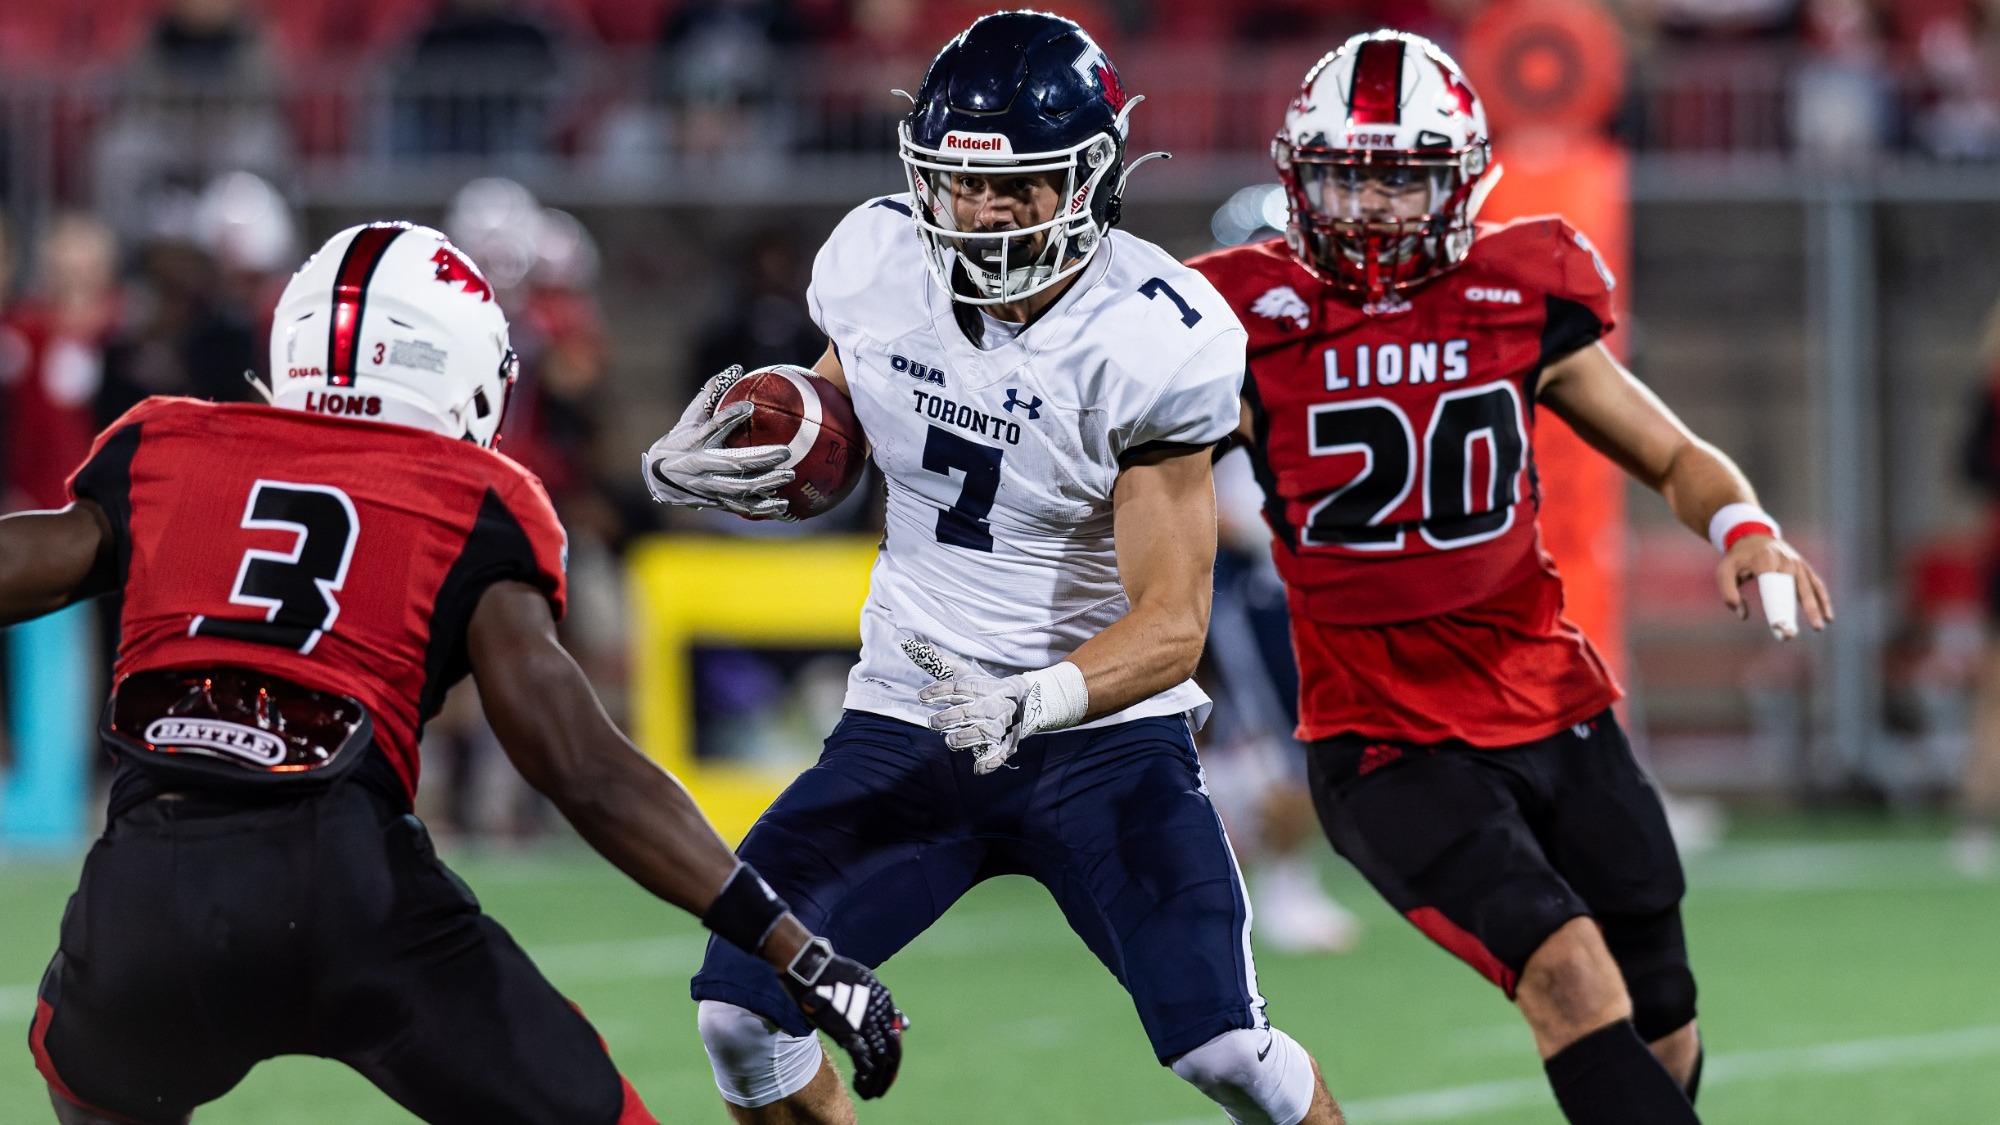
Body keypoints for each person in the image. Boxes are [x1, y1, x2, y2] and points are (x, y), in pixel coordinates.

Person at [1, 221, 903, 1125]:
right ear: (458, 371)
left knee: (95, 1085)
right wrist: (791, 946)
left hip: (149, 887)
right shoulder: (470, 494)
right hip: (350, 891)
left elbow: (37, 553)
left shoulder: (166, 443)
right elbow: (582, 767)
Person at [644, 12, 1345, 1125]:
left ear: (1092, 176)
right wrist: (785, 451)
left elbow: (1170, 622)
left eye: (1015, 186)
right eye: (958, 185)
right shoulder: (876, 260)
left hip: (1098, 743)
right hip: (907, 721)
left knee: (1223, 1052)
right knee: (739, 1014)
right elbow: (842, 426)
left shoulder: (1152, 335)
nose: (979, 212)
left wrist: (1031, 698)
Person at [1188, 31, 1833, 1125]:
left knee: (1661, 1017)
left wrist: (1741, 526)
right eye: (1349, 173)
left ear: (1461, 178)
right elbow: (1124, 487)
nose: (1375, 206)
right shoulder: (1236, 319)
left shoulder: (1517, 287)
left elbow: (1672, 454)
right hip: (1387, 734)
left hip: (1549, 703)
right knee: (1567, 975)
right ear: (1300, 176)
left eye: (1404, 177)